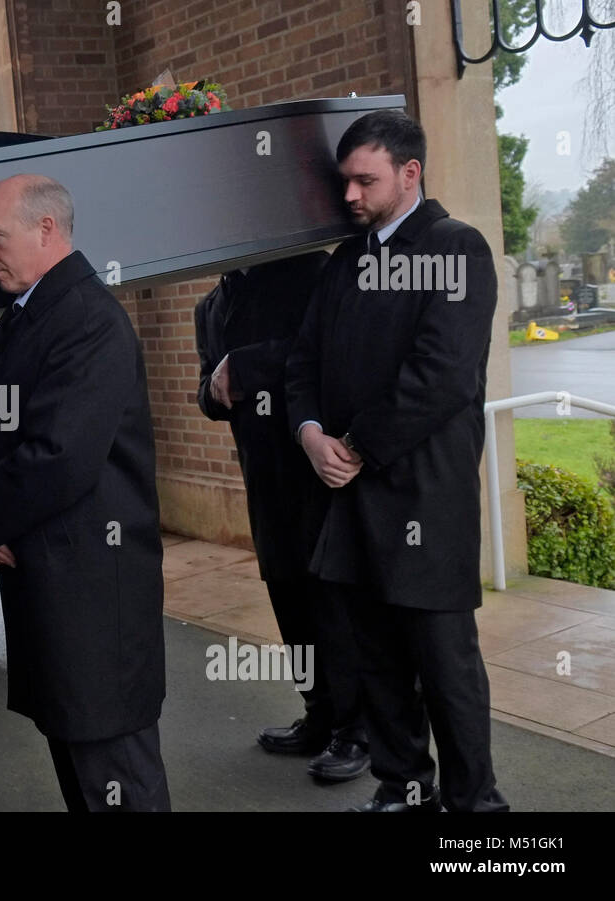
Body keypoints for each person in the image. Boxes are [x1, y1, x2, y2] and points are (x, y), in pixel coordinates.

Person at [285, 110, 509, 812]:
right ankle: (405, 789)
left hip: (425, 500)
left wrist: (355, 447)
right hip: (348, 499)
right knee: (375, 660)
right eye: (345, 181)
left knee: (445, 666)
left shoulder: (457, 246)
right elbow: (302, 364)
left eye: (366, 180)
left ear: (411, 173)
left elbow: (442, 375)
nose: (350, 195)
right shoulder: (344, 263)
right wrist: (310, 433)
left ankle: (476, 808)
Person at [0, 174, 169, 812]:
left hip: (93, 589)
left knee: (114, 771)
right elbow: (8, 433)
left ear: (45, 229)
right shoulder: (32, 315)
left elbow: (60, 456)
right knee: (80, 759)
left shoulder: (87, 320)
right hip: (58, 579)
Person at [195, 252, 370, 783]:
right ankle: (320, 714)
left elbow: (330, 348)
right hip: (261, 475)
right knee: (286, 595)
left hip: (315, 469)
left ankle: (358, 730)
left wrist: (244, 367)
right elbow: (208, 392)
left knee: (330, 600)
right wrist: (215, 388)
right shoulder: (210, 305)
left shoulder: (312, 272)